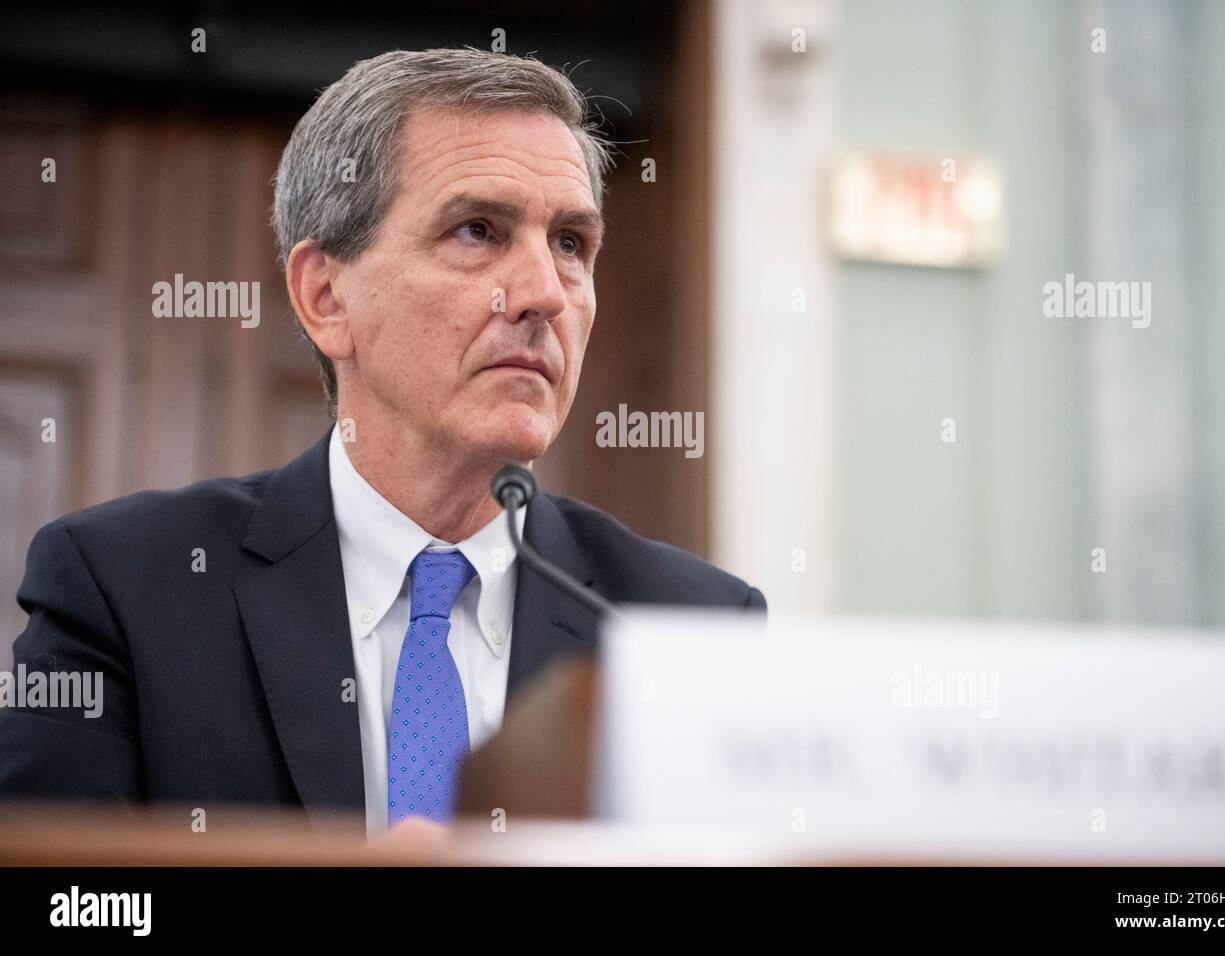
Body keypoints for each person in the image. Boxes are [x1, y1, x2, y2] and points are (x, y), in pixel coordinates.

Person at [0, 49, 765, 838]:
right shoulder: (122, 589)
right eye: (478, 230)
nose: (543, 294)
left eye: (570, 243)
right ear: (326, 298)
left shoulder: (689, 630)